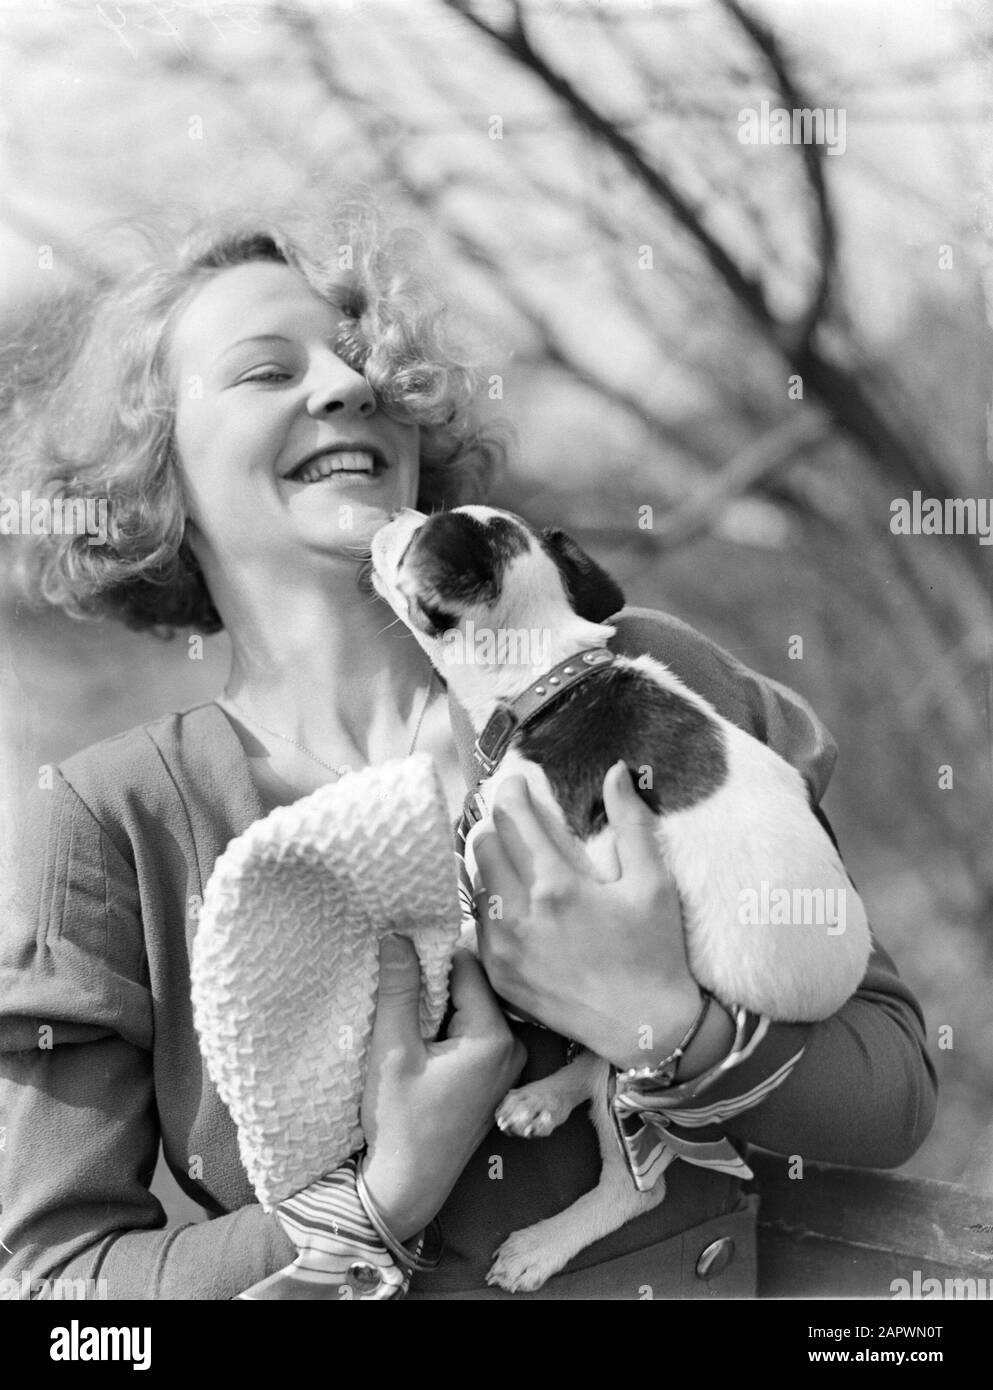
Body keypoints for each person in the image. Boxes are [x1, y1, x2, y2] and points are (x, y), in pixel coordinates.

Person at [0, 208, 936, 1301]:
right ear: (152, 479)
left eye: (364, 363)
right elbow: (60, 1296)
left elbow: (896, 1087)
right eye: (265, 372)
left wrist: (664, 1021)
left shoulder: (640, 679)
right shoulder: (113, 823)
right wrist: (378, 1198)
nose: (347, 387)